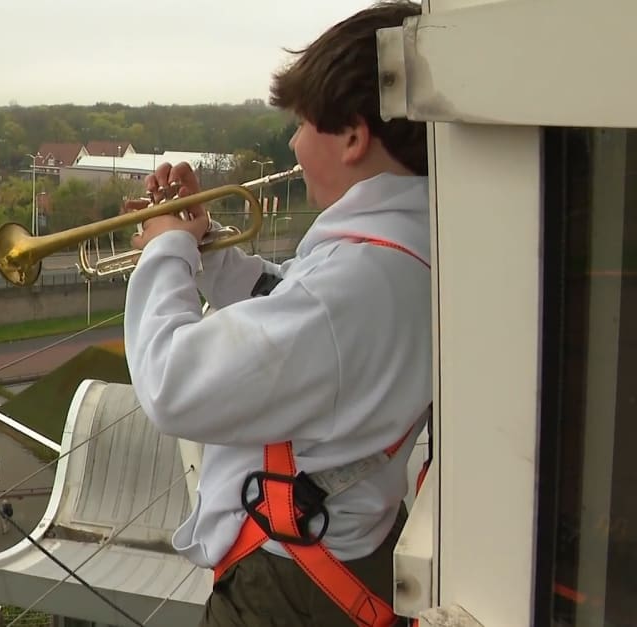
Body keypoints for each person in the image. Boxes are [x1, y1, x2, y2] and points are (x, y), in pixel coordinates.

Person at [122, 3, 430, 625]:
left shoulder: (350, 287)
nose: (292, 142)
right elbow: (292, 310)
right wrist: (207, 250)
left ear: (352, 136)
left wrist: (163, 250)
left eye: (301, 124)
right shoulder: (403, 250)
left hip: (290, 582)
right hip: (347, 553)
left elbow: (170, 383)